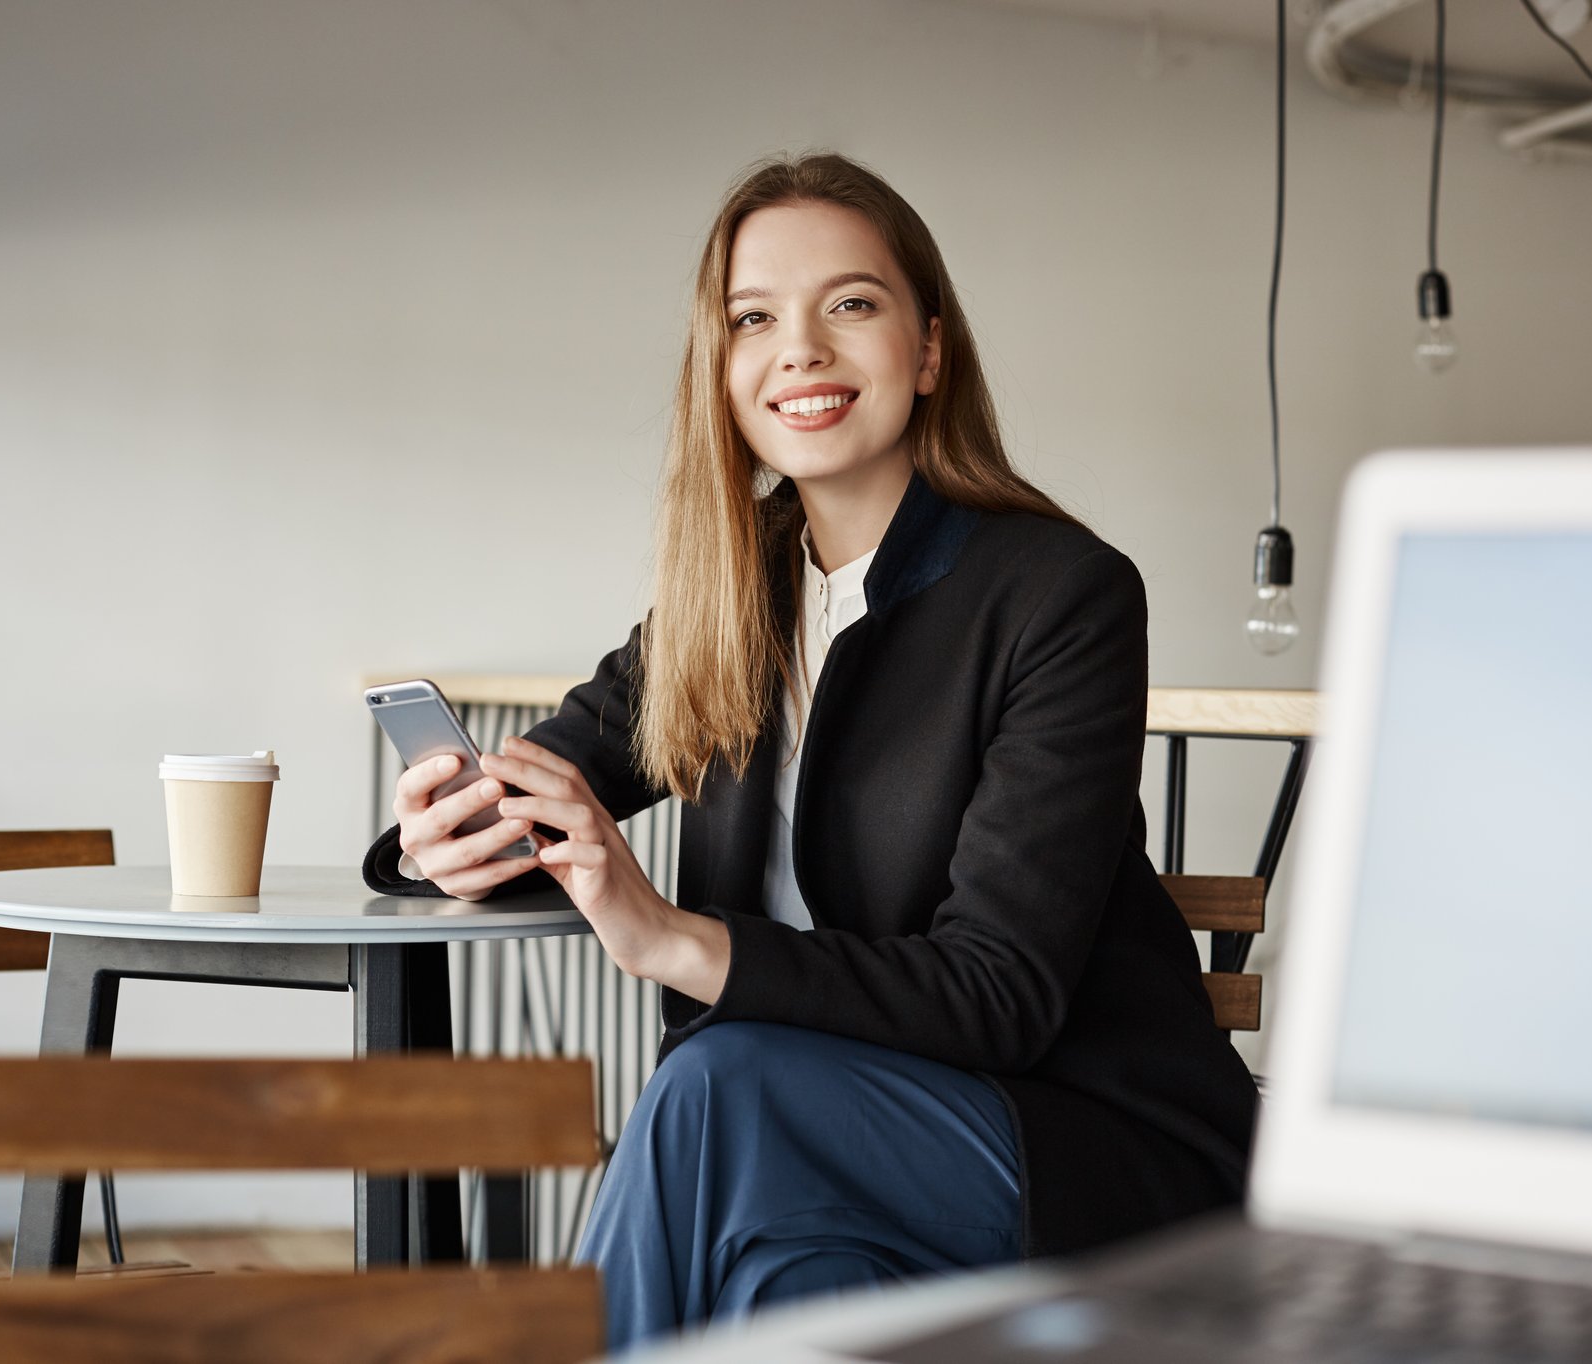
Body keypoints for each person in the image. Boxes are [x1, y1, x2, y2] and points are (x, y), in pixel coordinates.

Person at [363, 152, 1258, 1352]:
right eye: (753, 318)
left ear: (928, 349)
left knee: (710, 1086)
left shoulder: (1060, 595)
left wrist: (674, 937)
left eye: (852, 303)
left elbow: (1001, 996)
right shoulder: (725, 600)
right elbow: (553, 774)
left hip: (1075, 1144)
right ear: (719, 369)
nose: (802, 349)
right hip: (800, 1153)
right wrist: (444, 833)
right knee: (784, 1289)